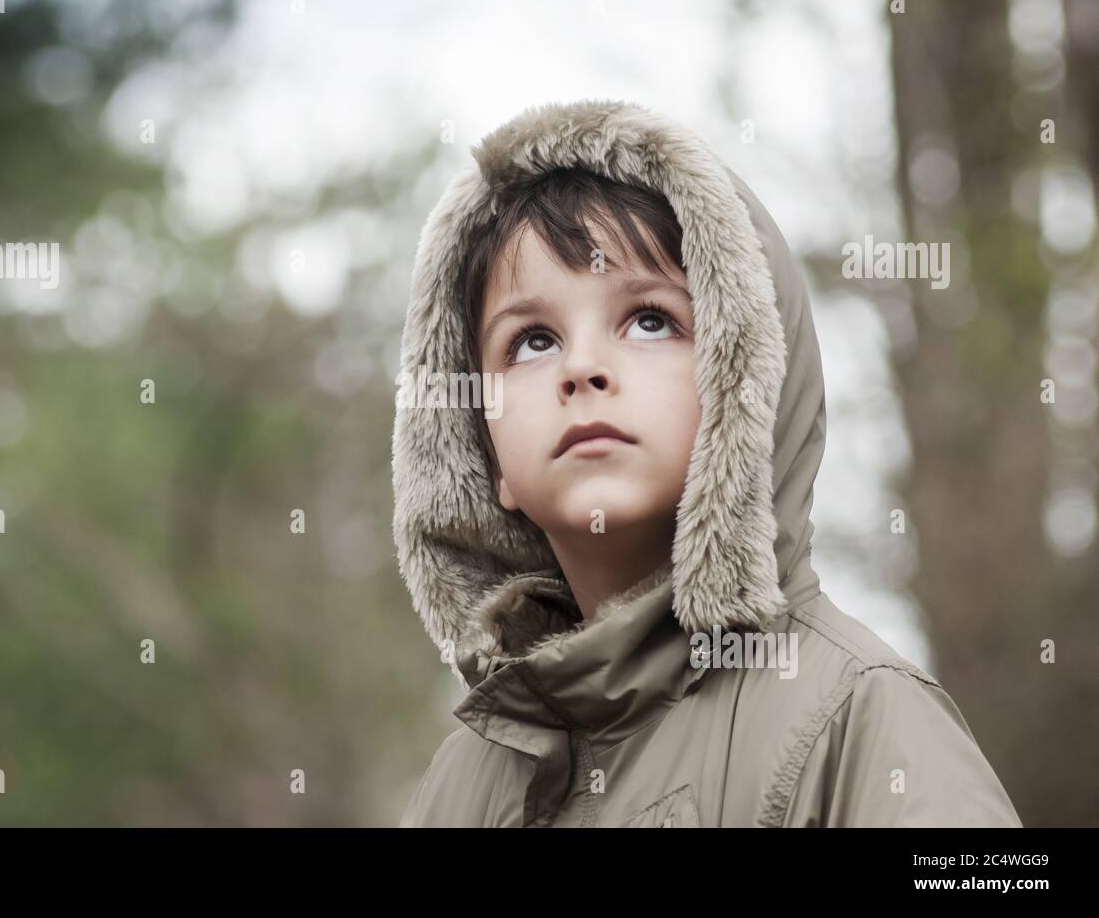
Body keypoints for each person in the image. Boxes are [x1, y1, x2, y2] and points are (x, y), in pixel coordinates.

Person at [391, 98, 1022, 827]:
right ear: (482, 452)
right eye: (532, 340)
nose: (583, 366)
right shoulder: (459, 788)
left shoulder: (859, 715)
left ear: (739, 383)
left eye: (650, 320)